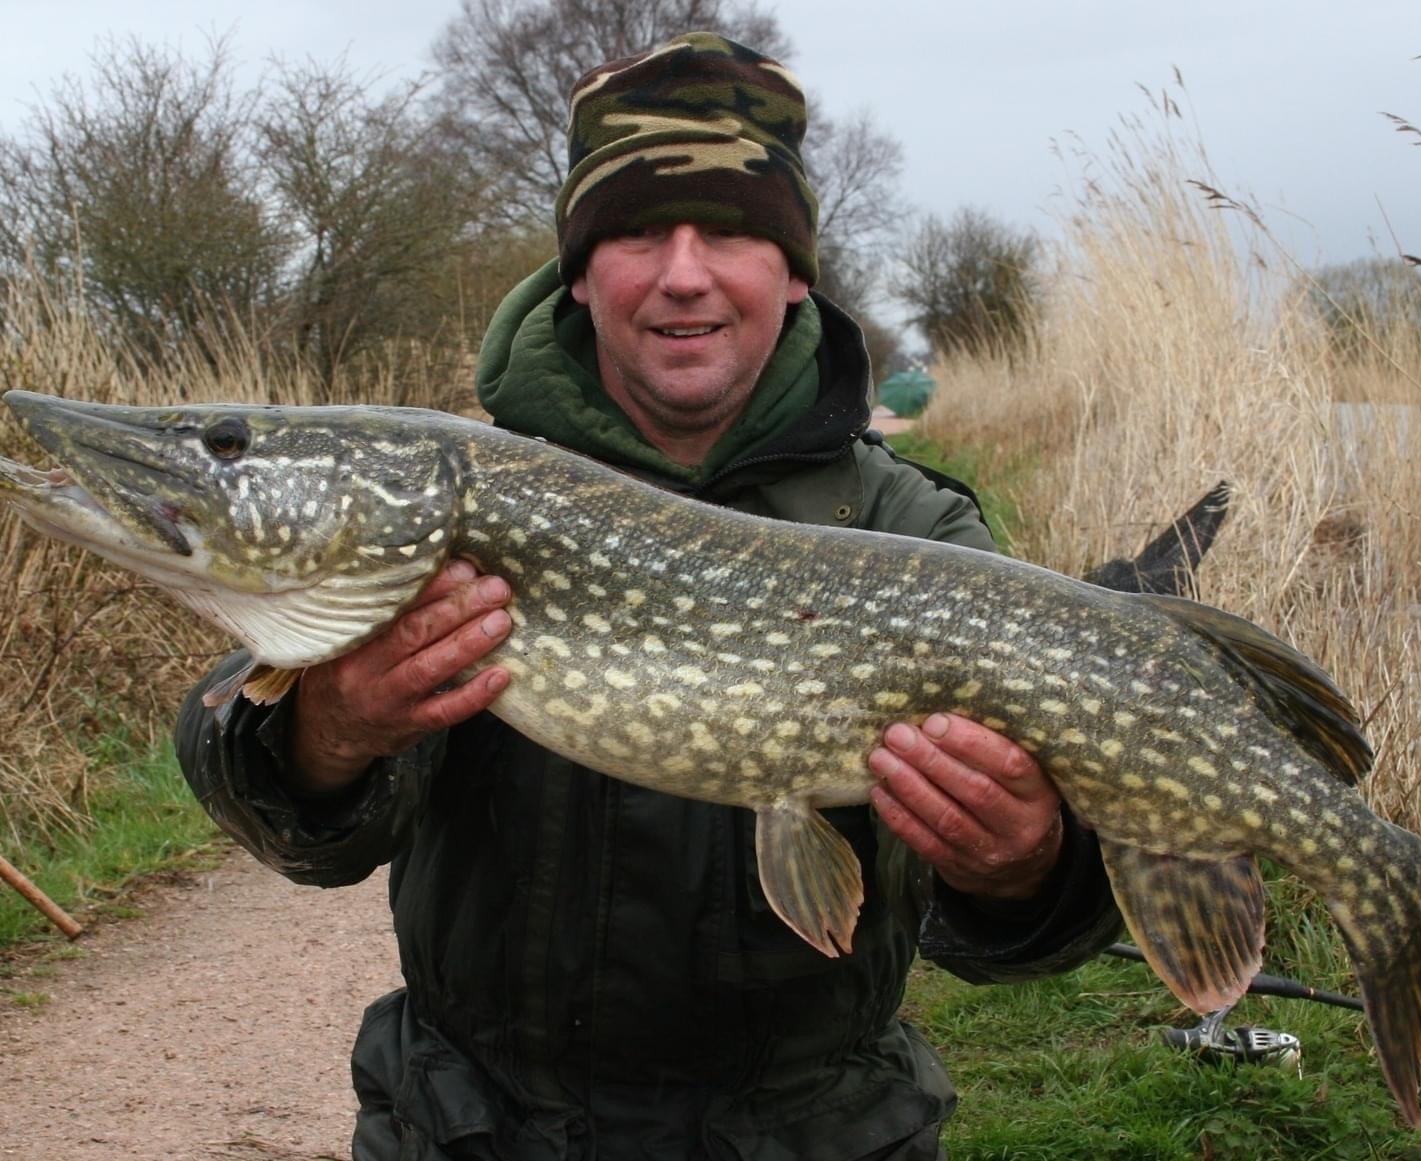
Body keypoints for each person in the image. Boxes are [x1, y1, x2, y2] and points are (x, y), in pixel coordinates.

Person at [176, 32, 1121, 1161]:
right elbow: (280, 807)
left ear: (795, 269)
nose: (683, 272)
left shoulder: (914, 532)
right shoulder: (450, 495)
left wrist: (1027, 867)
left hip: (815, 1136)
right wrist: (329, 730)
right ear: (579, 270)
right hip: (478, 1131)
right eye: (634, 232)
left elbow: (1025, 931)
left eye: (729, 230)